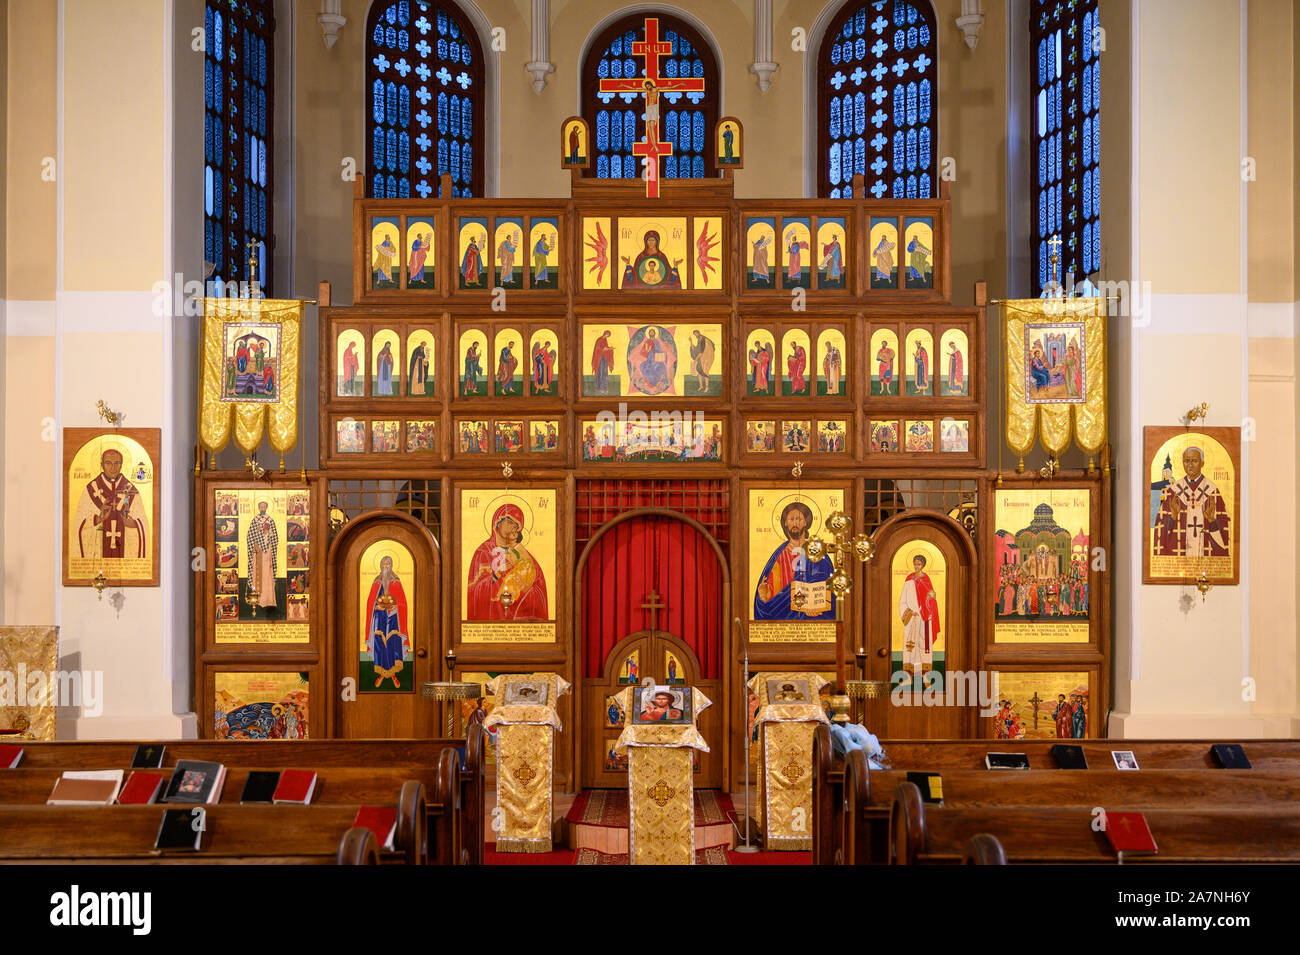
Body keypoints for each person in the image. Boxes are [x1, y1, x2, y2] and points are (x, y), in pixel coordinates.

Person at [465, 503, 548, 620]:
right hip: (490, 620)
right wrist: (496, 575)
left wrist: (524, 587)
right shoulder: (483, 552)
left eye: (516, 527)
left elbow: (539, 590)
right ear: (497, 524)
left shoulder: (523, 555)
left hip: (519, 621)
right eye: (509, 522)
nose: (513, 528)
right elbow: (472, 593)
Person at [754, 501, 835, 620]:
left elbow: (829, 582)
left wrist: (817, 605)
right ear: (785, 523)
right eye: (791, 519)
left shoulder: (816, 550)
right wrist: (764, 596)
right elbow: (771, 597)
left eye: (799, 519)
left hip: (812, 618)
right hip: (782, 619)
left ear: (806, 522)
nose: (795, 523)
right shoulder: (779, 555)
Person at [1153, 446, 1231, 560]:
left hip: (1205, 557)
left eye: (1194, 461)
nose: (1190, 465)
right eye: (1186, 461)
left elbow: (1225, 529)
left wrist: (1212, 521)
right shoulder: (1174, 491)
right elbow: (1160, 528)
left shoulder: (1212, 491)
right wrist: (1173, 517)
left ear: (1202, 463)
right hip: (1180, 558)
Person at [75, 448, 149, 561]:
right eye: (108, 463)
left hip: (125, 554)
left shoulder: (131, 490)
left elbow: (144, 522)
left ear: (122, 465)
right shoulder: (91, 489)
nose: (113, 468)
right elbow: (78, 523)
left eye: (117, 463)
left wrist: (134, 524)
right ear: (102, 465)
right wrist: (98, 519)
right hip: (98, 554)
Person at [365, 555, 409, 689]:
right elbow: (370, 602)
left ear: (391, 565)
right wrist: (376, 607)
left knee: (393, 642)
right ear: (380, 565)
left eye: (388, 564)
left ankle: (393, 674)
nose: (385, 567)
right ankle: (381, 674)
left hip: (393, 617)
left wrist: (396, 606)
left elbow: (403, 603)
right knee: (379, 642)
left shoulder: (396, 581)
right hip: (379, 616)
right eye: (383, 564)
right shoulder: (376, 582)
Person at [898, 554, 941, 676]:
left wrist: (929, 599)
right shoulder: (909, 580)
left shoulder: (926, 579)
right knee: (910, 645)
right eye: (915, 564)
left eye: (919, 564)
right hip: (912, 617)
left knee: (924, 643)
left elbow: (932, 598)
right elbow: (902, 600)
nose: (917, 566)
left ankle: (926, 672)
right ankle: (909, 673)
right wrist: (910, 612)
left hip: (925, 617)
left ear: (923, 565)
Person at [245, 500, 279, 612]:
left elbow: (275, 537)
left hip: (267, 552)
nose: (263, 508)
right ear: (259, 508)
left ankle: (268, 599)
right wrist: (256, 539)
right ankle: (256, 599)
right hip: (257, 551)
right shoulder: (255, 520)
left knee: (267, 573)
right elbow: (250, 535)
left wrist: (268, 534)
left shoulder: (270, 520)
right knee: (257, 573)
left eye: (264, 506)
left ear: (267, 508)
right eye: (261, 506)